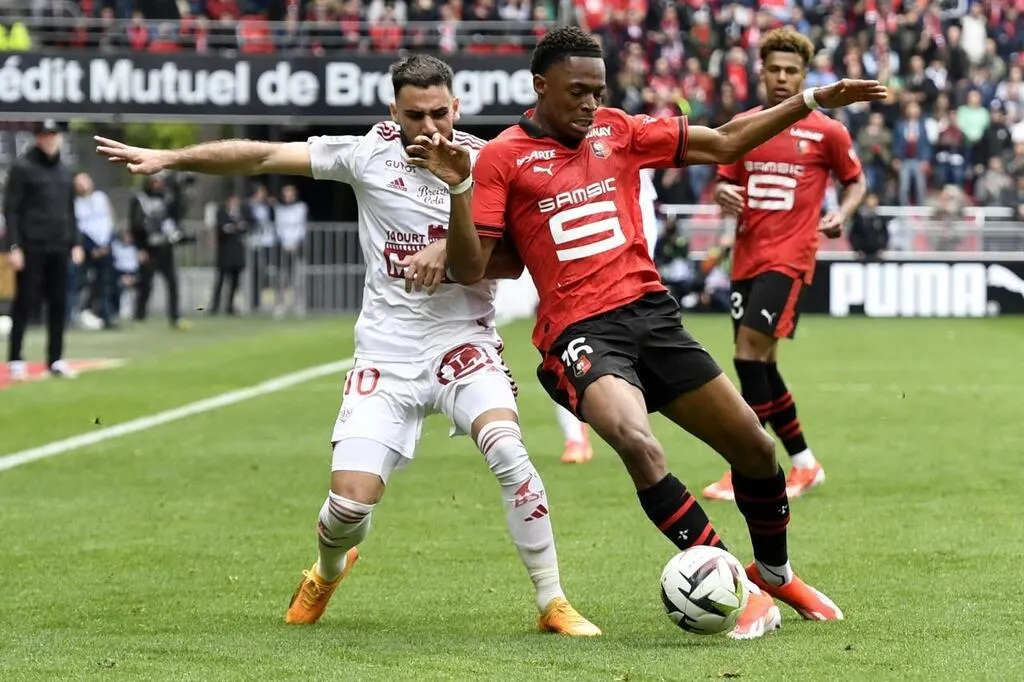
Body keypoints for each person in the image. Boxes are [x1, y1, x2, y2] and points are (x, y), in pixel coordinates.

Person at [95, 54, 600, 637]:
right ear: (394, 113)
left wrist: (459, 256)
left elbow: (521, 255)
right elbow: (262, 155)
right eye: (416, 115)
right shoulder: (367, 153)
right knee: (348, 509)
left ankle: (552, 601)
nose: (430, 128)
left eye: (440, 113)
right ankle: (328, 569)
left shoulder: (487, 161)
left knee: (509, 451)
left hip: (463, 341)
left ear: (457, 108)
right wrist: (170, 157)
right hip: (385, 353)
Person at [406, 26, 884, 639]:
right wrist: (461, 190)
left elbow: (724, 141)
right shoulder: (502, 157)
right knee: (637, 440)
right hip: (578, 332)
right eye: (576, 91)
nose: (589, 104)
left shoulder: (619, 130)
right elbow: (477, 268)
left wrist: (812, 101)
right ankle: (738, 584)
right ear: (540, 86)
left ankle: (774, 572)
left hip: (651, 316)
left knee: (755, 449)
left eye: (597, 91)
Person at [703, 28, 868, 502]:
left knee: (748, 355)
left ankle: (747, 469)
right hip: (747, 257)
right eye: (774, 69)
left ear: (804, 75)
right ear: (761, 71)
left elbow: (856, 182)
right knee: (762, 364)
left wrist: (843, 212)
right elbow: (721, 177)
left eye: (790, 70)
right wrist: (721, 192)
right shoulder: (746, 125)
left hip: (791, 257)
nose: (781, 77)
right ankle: (804, 463)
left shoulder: (826, 130)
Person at [554, 167, 659, 464]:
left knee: (631, 365)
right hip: (569, 285)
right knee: (564, 358)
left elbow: (644, 218)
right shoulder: (552, 161)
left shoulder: (623, 150)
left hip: (624, 290)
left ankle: (634, 432)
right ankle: (575, 437)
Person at [3, 119, 84, 380]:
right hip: (31, 245)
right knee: (25, 301)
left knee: (59, 302)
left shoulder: (65, 170)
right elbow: (11, 210)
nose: (50, 140)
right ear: (37, 138)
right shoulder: (23, 168)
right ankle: (16, 357)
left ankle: (56, 358)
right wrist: (14, 246)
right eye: (45, 135)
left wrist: (75, 242)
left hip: (59, 245)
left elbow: (70, 211)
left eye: (53, 135)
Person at [129, 173, 187, 329]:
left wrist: (179, 191)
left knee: (173, 284)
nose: (157, 184)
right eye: (154, 181)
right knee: (145, 284)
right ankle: (139, 315)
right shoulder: (140, 199)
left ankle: (175, 316)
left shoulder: (167, 198)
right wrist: (139, 248)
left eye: (160, 181)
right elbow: (134, 225)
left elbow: (178, 214)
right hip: (149, 247)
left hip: (165, 247)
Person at [74, 172, 117, 329]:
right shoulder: (75, 204)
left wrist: (109, 242)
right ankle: (78, 313)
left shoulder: (100, 198)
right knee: (83, 282)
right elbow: (79, 228)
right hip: (88, 248)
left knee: (106, 283)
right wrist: (91, 248)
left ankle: (106, 316)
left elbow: (110, 219)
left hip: (105, 244)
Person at [209, 194, 250, 316]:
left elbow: (244, 227)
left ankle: (230, 306)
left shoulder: (241, 214)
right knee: (220, 280)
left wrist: (234, 227)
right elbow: (224, 228)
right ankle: (215, 306)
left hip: (237, 253)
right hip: (225, 253)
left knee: (235, 282)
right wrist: (234, 228)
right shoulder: (222, 213)